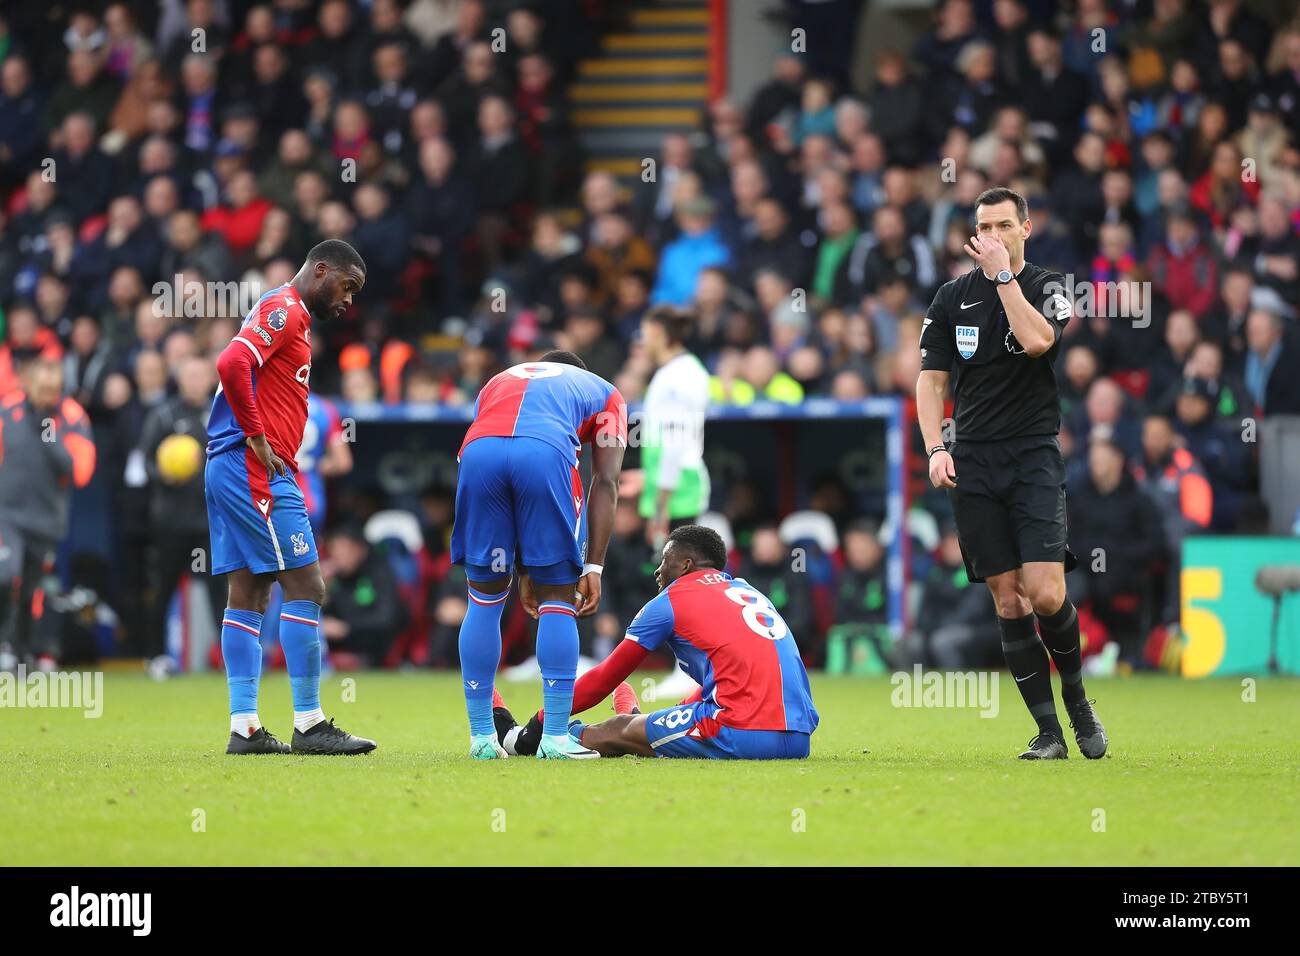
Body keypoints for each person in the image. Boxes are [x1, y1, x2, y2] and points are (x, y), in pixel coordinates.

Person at [917, 186, 1107, 760]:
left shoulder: (1049, 289)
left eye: (1003, 226)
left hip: (1032, 455)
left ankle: (1077, 700)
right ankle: (1048, 733)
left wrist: (1004, 281)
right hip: (972, 459)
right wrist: (935, 448)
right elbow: (931, 381)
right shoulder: (952, 298)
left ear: (1026, 228)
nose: (992, 237)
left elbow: (1037, 342)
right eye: (984, 227)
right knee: (1008, 600)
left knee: (1047, 592)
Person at [206, 239, 375, 756]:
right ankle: (309, 723)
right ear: (320, 270)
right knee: (308, 584)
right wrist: (256, 436)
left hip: (234, 465)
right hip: (254, 465)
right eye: (347, 287)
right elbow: (232, 361)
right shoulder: (284, 308)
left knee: (250, 593)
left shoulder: (289, 315)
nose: (348, 301)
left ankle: (246, 729)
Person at [494, 525, 818, 760]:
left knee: (618, 729)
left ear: (686, 565)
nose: (658, 571)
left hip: (744, 733)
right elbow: (725, 679)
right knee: (638, 726)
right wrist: (668, 715)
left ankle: (522, 740)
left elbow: (606, 678)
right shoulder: (748, 590)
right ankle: (638, 724)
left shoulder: (670, 601)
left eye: (665, 561)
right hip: (799, 737)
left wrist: (541, 720)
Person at [451, 349, 627, 759]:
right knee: (558, 600)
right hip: (544, 453)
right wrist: (594, 566)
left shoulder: (498, 380)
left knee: (484, 600)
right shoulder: (603, 392)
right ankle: (555, 738)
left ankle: (481, 738)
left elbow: (503, 447)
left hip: (476, 454)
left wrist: (524, 569)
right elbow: (606, 482)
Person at [0, 358, 96, 669]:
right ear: (26, 382)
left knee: (31, 592)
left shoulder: (70, 416)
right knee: (5, 575)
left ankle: (22, 651)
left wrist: (48, 431)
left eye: (50, 388)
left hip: (45, 522)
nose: (44, 394)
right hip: (7, 515)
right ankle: (5, 641)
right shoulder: (8, 410)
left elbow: (79, 471)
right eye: (39, 386)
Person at [637, 306, 710, 550]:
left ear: (657, 332)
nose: (642, 342)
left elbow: (675, 443)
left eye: (644, 334)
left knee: (677, 579)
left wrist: (660, 509)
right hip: (670, 493)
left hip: (679, 497)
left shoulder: (680, 375)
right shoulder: (672, 373)